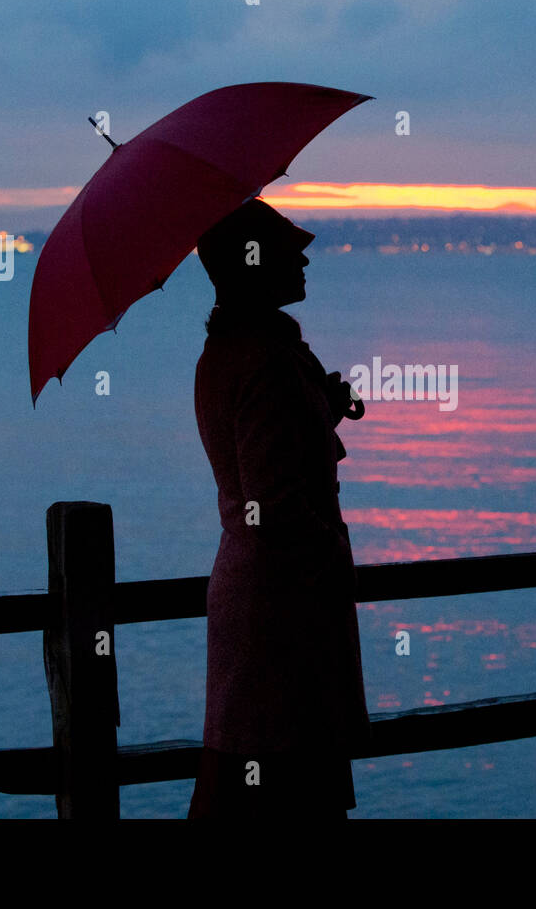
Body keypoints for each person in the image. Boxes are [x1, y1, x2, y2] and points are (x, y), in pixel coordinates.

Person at [188, 196, 370, 819]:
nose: (304, 253)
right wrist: (330, 552)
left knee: (252, 785)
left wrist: (317, 405)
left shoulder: (235, 349)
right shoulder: (265, 358)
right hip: (281, 608)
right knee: (288, 795)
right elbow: (277, 504)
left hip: (255, 594)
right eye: (287, 244)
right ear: (253, 261)